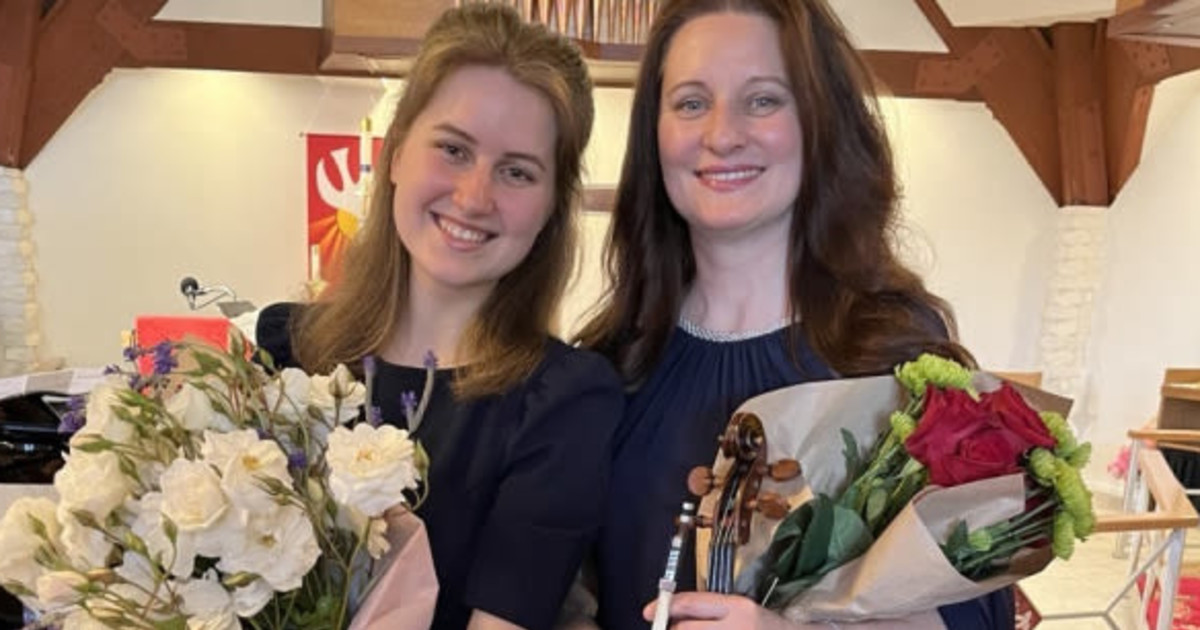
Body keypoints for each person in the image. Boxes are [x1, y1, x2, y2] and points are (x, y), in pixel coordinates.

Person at [576, 0, 1014, 628]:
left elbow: (970, 612)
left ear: (818, 121)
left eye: (762, 100)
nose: (722, 134)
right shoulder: (608, 366)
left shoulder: (897, 359)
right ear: (655, 133)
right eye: (691, 103)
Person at [256, 5, 622, 630]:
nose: (474, 197)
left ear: (550, 207)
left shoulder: (564, 402)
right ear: (397, 152)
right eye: (453, 149)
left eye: (516, 171)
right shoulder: (289, 350)